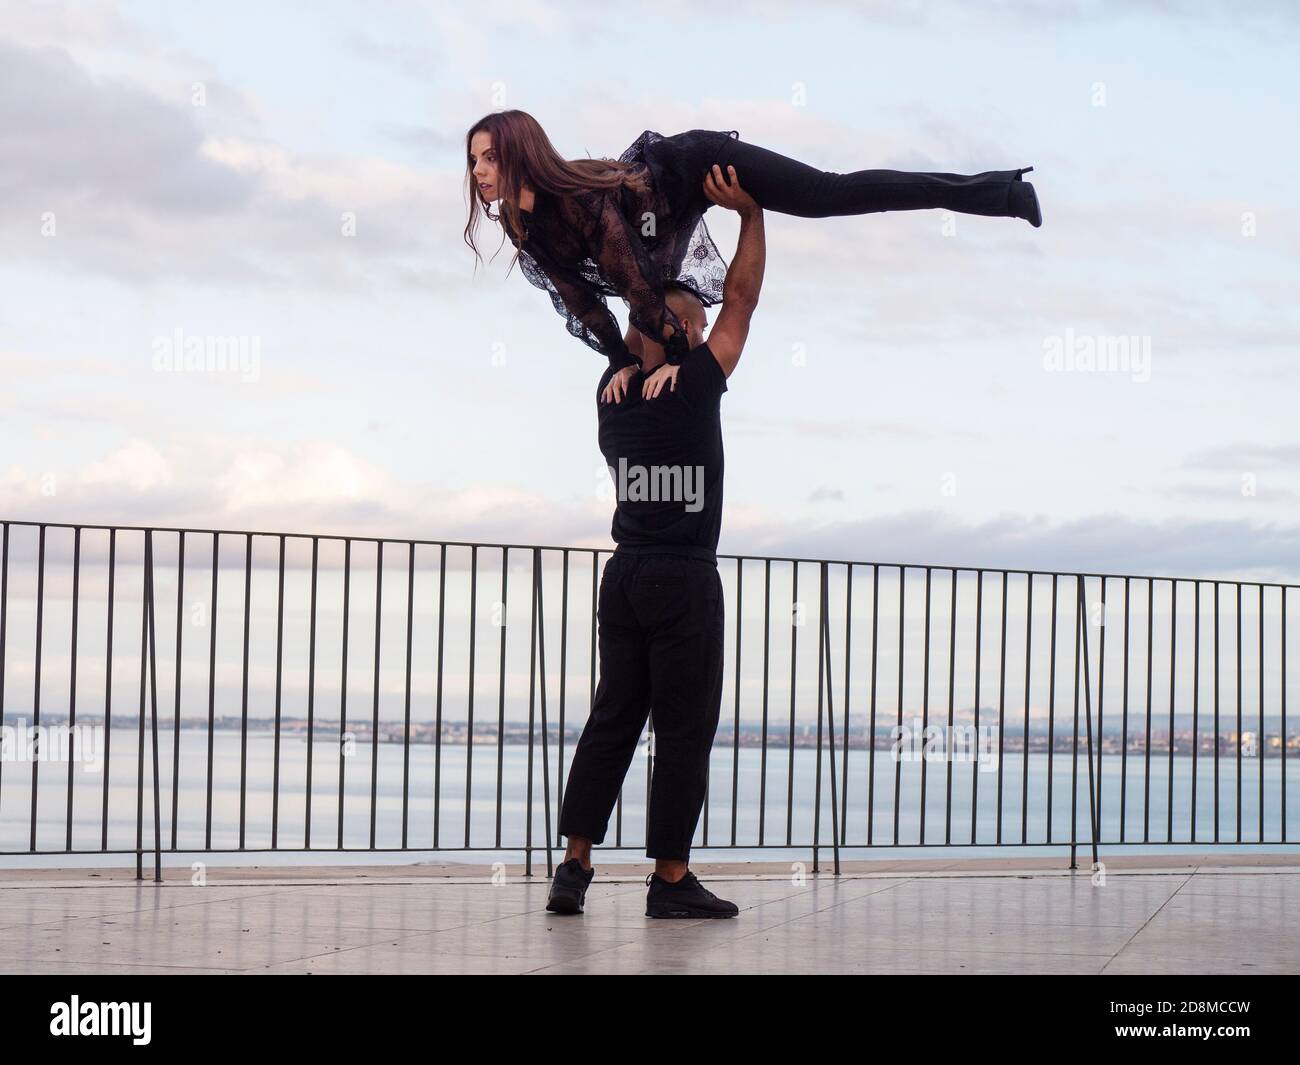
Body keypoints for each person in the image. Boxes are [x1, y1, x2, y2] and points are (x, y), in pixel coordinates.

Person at [545, 163, 765, 919]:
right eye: (690, 325)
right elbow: (742, 299)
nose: (702, 331)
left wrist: (632, 358)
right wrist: (752, 218)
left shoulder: (612, 394)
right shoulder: (697, 384)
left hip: (625, 576)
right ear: (671, 330)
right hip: (682, 579)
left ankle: (573, 866)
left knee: (614, 714)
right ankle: (670, 879)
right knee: (682, 729)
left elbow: (630, 338)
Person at [464, 109, 1039, 374]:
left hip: (700, 167)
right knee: (652, 322)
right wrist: (622, 363)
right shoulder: (527, 227)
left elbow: (635, 290)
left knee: (827, 195)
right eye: (474, 161)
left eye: (491, 157)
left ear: (521, 152)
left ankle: (1002, 193)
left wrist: (680, 364)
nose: (481, 171)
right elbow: (584, 304)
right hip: (654, 225)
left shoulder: (579, 202)